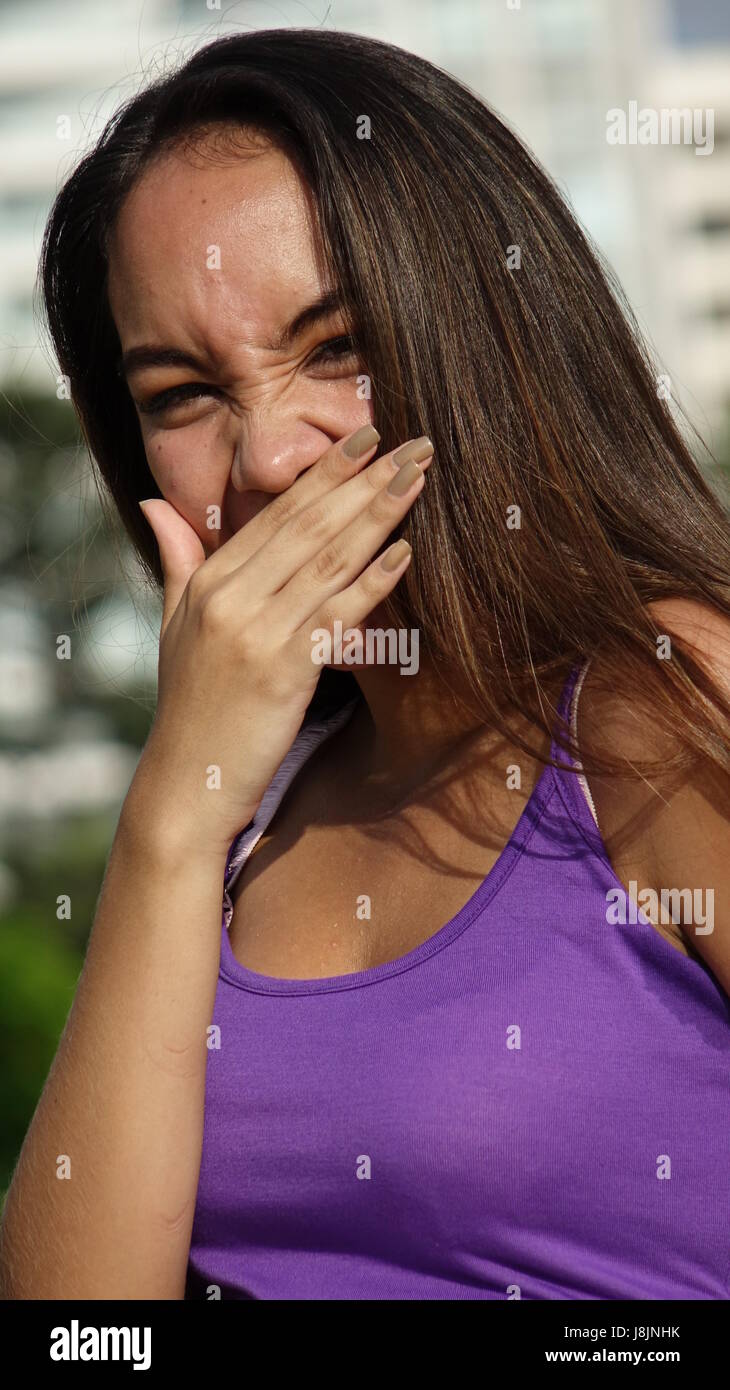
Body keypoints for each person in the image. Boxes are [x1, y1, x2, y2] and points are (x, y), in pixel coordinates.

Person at [1, 28, 729, 1301]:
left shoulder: (670, 697)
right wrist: (175, 806)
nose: (272, 453)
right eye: (181, 395)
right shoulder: (227, 823)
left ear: (492, 330)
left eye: (336, 347)